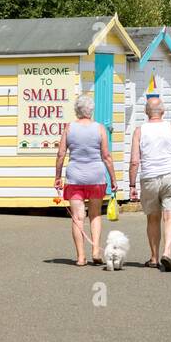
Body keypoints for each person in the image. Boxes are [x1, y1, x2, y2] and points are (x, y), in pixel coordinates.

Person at [128, 95, 171, 271]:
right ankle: (167, 253)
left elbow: (135, 161)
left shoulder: (139, 131)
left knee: (153, 217)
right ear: (163, 112)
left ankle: (153, 257)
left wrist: (132, 185)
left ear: (145, 112)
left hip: (149, 177)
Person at [54, 94, 117, 266]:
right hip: (96, 176)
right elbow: (106, 156)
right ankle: (96, 249)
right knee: (95, 215)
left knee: (77, 217)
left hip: (75, 178)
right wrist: (113, 179)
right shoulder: (100, 128)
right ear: (91, 110)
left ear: (76, 110)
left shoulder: (69, 128)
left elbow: (61, 154)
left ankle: (81, 257)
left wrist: (57, 177)